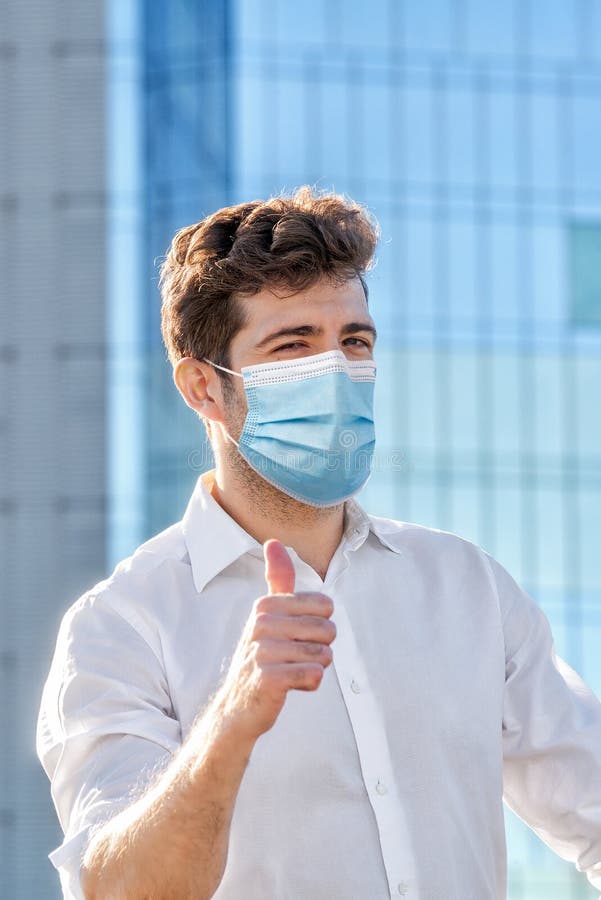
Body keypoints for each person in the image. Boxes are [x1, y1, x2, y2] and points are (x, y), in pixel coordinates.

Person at [37, 186, 601, 900]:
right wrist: (232, 720)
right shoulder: (121, 625)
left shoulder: (467, 586)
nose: (335, 371)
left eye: (354, 342)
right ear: (203, 389)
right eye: (294, 345)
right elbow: (119, 890)